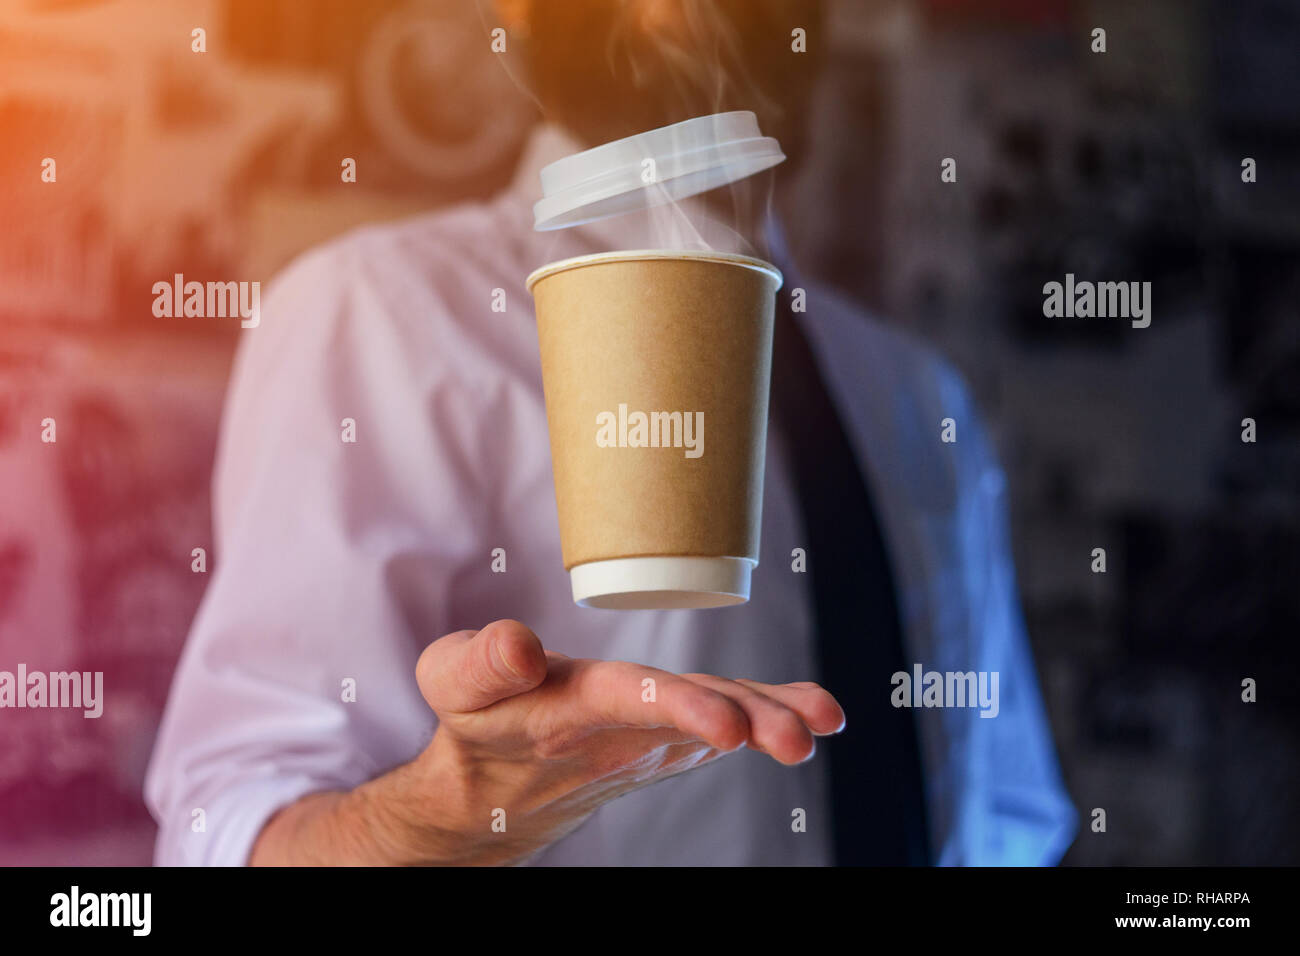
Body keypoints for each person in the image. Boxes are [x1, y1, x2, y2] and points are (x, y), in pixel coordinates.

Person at [145, 0, 1076, 866]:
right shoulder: (380, 314)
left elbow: (1008, 814)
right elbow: (238, 819)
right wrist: (448, 810)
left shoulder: (915, 394)